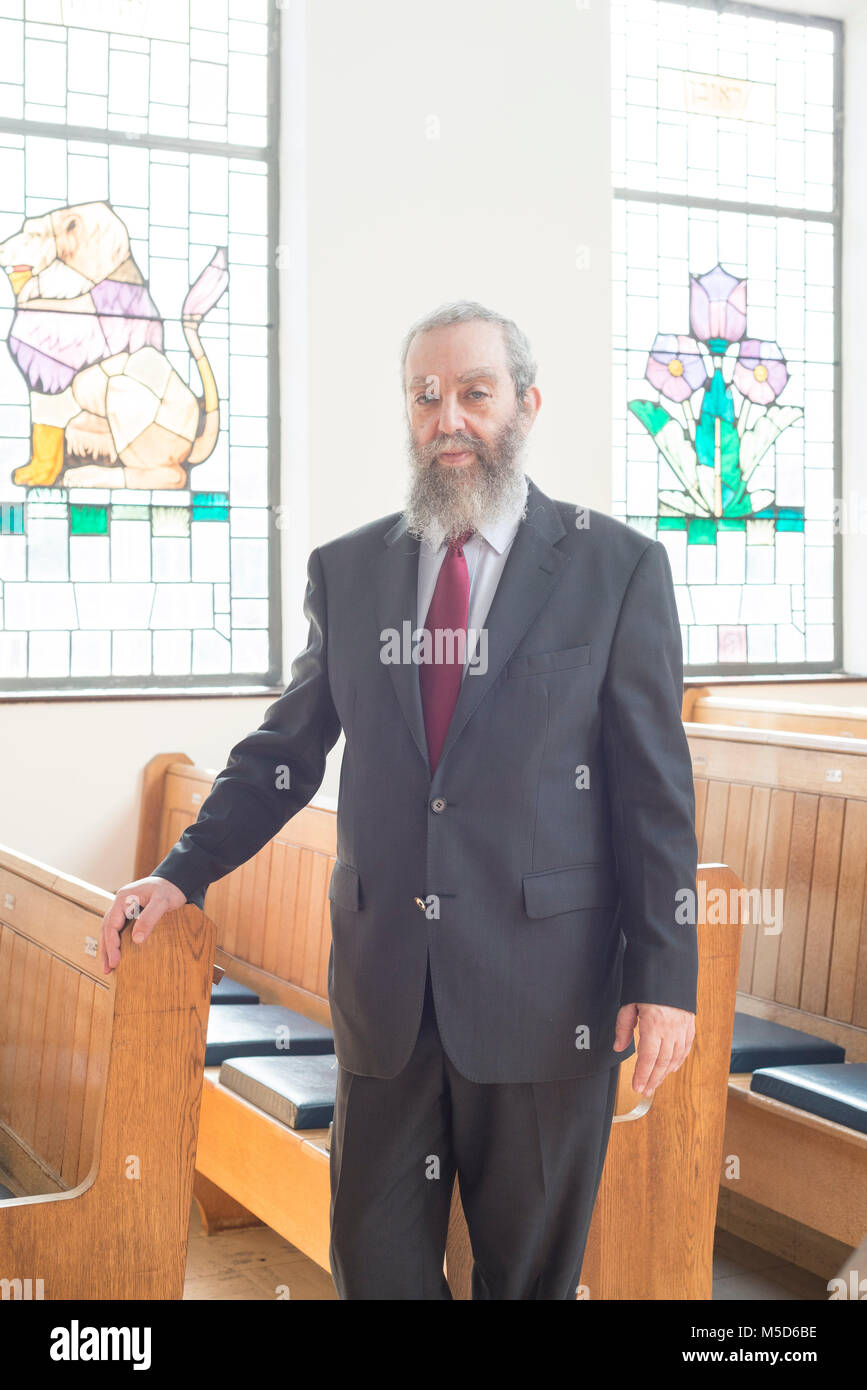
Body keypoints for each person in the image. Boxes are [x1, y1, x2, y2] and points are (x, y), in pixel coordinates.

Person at [100, 300, 698, 1301]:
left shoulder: (615, 568)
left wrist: (667, 973)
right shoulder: (351, 571)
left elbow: (653, 792)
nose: (447, 417)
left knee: (527, 1279)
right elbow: (285, 754)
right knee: (376, 1268)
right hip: (387, 995)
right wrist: (180, 872)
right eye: (426, 396)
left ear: (526, 404)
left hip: (548, 997)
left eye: (474, 392)